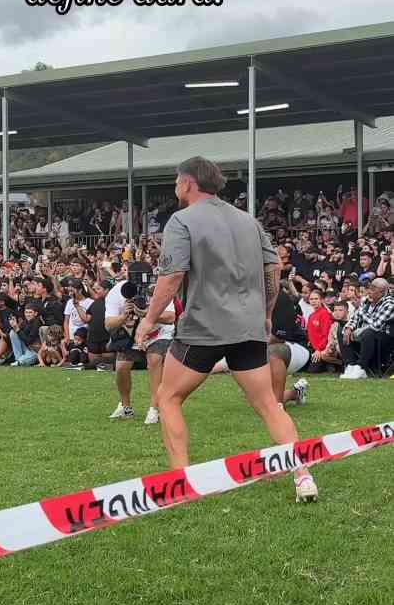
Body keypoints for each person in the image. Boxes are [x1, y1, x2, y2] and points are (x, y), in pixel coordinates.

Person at [135, 155, 319, 504]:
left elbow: (172, 276)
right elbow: (273, 271)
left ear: (188, 182)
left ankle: (182, 484)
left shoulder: (181, 220)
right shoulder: (248, 221)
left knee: (167, 398)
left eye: (177, 180)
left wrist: (148, 320)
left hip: (203, 326)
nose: (175, 187)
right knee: (269, 404)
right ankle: (303, 475)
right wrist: (265, 313)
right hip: (248, 325)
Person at [105, 272, 175, 425]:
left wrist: (148, 314)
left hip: (158, 332)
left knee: (154, 359)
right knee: (122, 366)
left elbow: (171, 317)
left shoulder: (159, 288)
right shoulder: (116, 292)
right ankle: (125, 406)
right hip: (131, 334)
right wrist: (124, 316)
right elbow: (108, 323)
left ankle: (154, 408)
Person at [339, 278, 394, 380]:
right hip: (364, 334)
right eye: (370, 288)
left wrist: (363, 312)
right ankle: (351, 366)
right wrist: (349, 328)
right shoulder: (367, 300)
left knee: (368, 332)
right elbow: (355, 317)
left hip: (383, 338)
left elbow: (376, 326)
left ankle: (361, 368)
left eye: (373, 289)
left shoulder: (390, 304)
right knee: (342, 329)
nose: (369, 292)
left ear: (382, 292)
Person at [306, 289, 334, 373]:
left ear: (321, 300)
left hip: (322, 349)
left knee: (312, 370)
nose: (313, 301)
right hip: (313, 348)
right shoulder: (311, 315)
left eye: (316, 299)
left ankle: (331, 363)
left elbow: (327, 335)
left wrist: (319, 349)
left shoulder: (324, 314)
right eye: (311, 299)